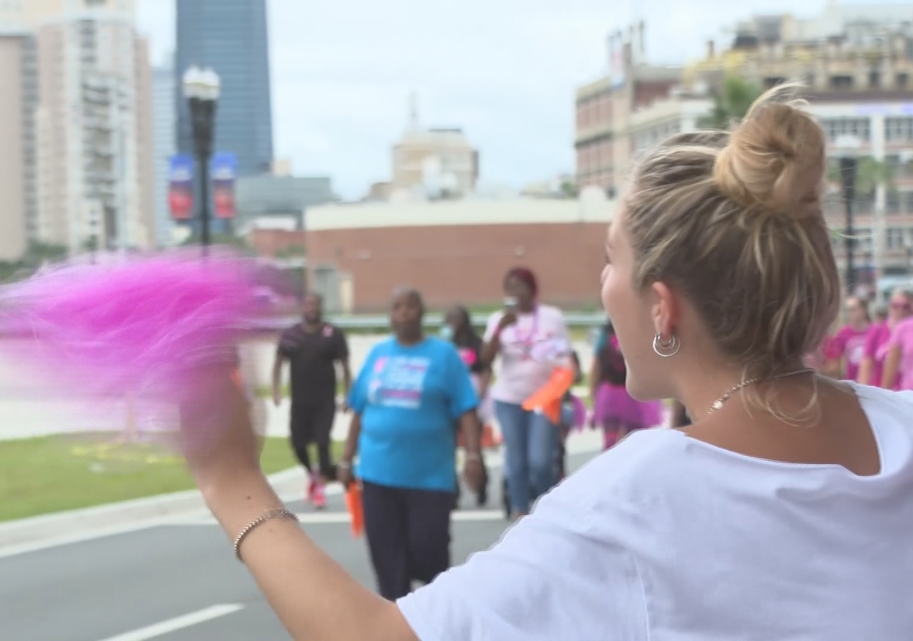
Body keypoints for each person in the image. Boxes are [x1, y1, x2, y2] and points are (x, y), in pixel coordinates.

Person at [178, 85, 913, 640]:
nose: (602, 284)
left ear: (663, 307)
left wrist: (229, 477)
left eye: (609, 261)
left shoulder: (634, 502)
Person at [334, 288, 483, 600]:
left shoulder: (443, 356)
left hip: (429, 478)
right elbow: (360, 410)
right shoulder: (378, 354)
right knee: (386, 559)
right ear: (390, 315)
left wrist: (473, 456)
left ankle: (434, 618)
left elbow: (466, 409)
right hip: (377, 474)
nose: (403, 312)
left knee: (429, 553)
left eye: (410, 306)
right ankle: (397, 620)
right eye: (396, 307)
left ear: (422, 312)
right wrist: (347, 459)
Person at [479, 267, 571, 520]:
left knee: (540, 460)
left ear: (532, 289)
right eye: (510, 288)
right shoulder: (498, 319)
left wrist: (564, 384)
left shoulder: (552, 317)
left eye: (521, 286)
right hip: (509, 398)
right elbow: (485, 359)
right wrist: (499, 330)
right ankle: (520, 510)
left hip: (544, 398)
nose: (516, 293)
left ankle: (550, 508)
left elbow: (565, 354)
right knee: (516, 460)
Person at [272, 293, 352, 509]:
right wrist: (275, 389)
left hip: (325, 401)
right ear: (302, 308)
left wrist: (348, 394)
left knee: (323, 442)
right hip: (300, 401)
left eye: (315, 305)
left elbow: (344, 365)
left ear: (321, 307)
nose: (311, 308)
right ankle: (313, 474)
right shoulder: (291, 335)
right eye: (307, 304)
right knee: (297, 444)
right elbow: (279, 362)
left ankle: (320, 489)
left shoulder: (332, 334)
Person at [441, 306, 490, 507]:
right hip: (450, 397)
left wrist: (481, 393)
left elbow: (486, 369)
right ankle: (452, 489)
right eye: (449, 318)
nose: (452, 322)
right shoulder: (444, 345)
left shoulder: (476, 344)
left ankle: (480, 483)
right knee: (449, 445)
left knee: (473, 444)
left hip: (471, 393)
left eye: (456, 318)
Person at [589, 321, 663, 448]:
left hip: (610, 394)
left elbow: (596, 367)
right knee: (634, 443)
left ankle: (611, 465)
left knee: (610, 442)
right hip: (635, 397)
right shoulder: (643, 331)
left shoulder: (606, 335)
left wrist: (594, 395)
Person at [860, 289, 912, 388]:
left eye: (905, 306)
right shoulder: (877, 330)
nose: (900, 310)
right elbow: (867, 362)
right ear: (889, 306)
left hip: (904, 391)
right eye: (895, 305)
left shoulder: (909, 332)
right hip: (880, 389)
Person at [823, 295, 871, 381]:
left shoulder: (874, 331)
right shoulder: (843, 333)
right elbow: (836, 360)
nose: (850, 313)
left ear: (863, 310)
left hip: (872, 380)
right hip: (852, 381)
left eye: (853, 309)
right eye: (847, 310)